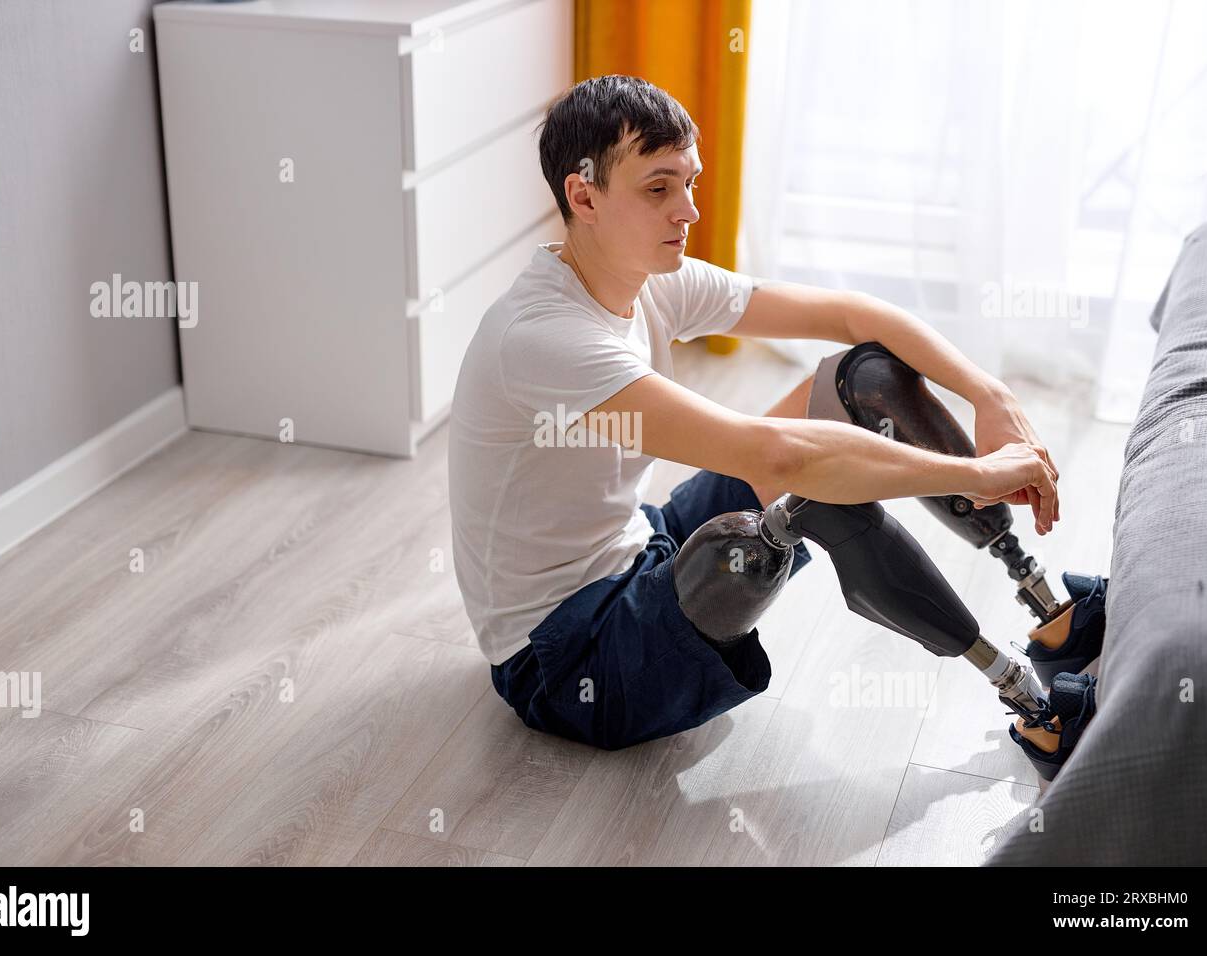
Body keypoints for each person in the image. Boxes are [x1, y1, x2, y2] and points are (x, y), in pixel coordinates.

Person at [448, 74, 1059, 751]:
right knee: (808, 485)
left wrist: (990, 398)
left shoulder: (652, 282)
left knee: (864, 377)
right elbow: (778, 457)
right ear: (583, 195)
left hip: (643, 544)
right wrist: (978, 475)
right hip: (567, 655)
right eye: (658, 189)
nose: (688, 211)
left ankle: (1043, 601)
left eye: (690, 182)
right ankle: (1022, 694)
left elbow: (851, 314)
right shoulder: (543, 337)